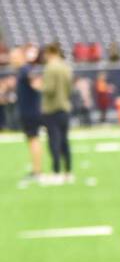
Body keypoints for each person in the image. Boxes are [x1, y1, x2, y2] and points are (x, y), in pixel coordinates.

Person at [41, 41, 74, 179]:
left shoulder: (50, 68)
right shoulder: (66, 67)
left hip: (52, 108)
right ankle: (68, 169)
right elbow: (69, 89)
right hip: (64, 106)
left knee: (53, 140)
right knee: (64, 139)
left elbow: (49, 89)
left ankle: (56, 169)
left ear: (50, 52)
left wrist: (39, 86)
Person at [10, 44, 43, 181]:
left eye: (14, 56)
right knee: (31, 140)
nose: (12, 59)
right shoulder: (23, 70)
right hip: (29, 111)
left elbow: (37, 83)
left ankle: (37, 171)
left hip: (30, 112)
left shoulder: (25, 70)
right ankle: (36, 169)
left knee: (33, 139)